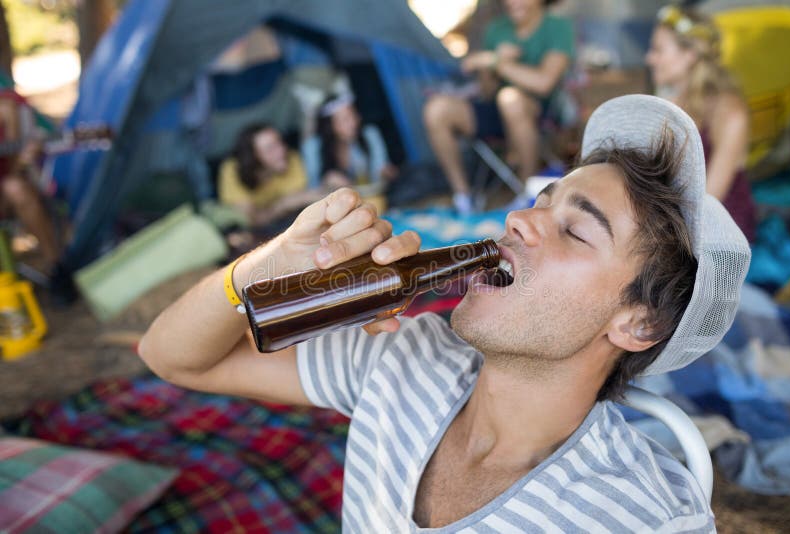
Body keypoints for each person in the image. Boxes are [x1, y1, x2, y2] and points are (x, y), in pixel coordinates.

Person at [140, 95, 750, 531]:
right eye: (541, 199)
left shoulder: (640, 517)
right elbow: (171, 356)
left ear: (638, 323)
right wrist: (265, 266)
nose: (517, 218)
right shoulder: (404, 358)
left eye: (576, 231)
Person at [424, 0, 574, 215]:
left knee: (510, 98)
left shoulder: (557, 26)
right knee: (436, 109)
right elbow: (486, 92)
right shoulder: (497, 29)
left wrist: (497, 62)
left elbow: (544, 83)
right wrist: (489, 69)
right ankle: (463, 197)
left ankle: (527, 192)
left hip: (541, 114)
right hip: (497, 110)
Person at [646, 4, 757, 241]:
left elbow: (708, 201)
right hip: (672, 222)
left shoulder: (729, 112)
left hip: (719, 238)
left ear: (690, 56)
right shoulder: (670, 99)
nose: (650, 58)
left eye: (657, 50)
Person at [217, 123, 332, 230]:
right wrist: (284, 204)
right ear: (252, 156)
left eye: (279, 142)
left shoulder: (291, 158)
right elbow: (251, 221)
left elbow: (302, 199)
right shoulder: (232, 170)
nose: (281, 150)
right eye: (270, 148)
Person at [0, 89, 61, 270]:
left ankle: (57, 267)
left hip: (6, 190)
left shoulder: (6, 106)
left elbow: (14, 170)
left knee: (15, 188)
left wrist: (22, 160)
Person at [301, 93, 397, 188]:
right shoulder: (312, 147)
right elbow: (312, 187)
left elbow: (379, 170)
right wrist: (327, 182)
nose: (353, 123)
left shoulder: (370, 134)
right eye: (345, 119)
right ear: (329, 126)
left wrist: (385, 173)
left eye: (354, 115)